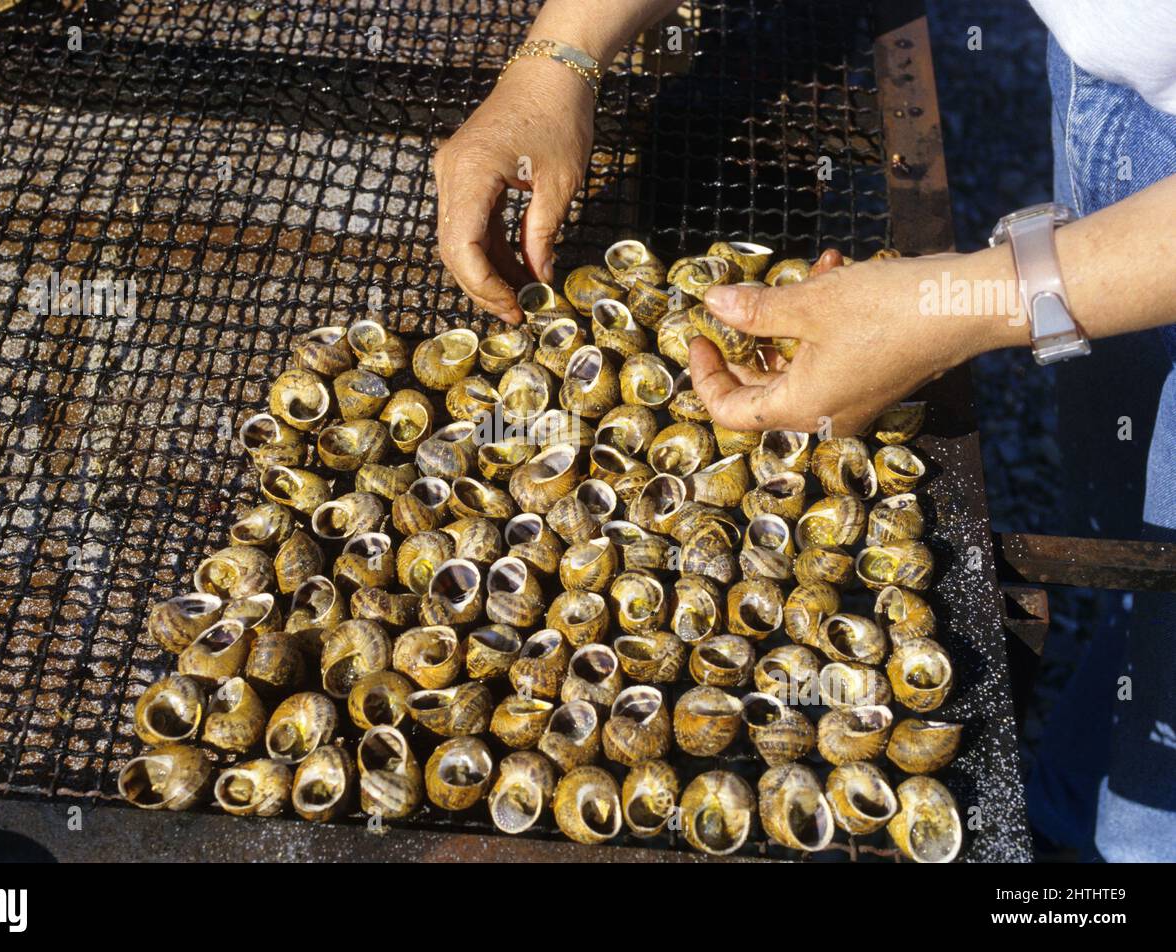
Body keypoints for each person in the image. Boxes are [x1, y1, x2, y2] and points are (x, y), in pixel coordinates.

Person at [434, 0, 1176, 861]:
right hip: (1121, 73)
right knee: (1125, 517)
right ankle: (1073, 793)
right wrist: (561, 54)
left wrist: (968, 302)